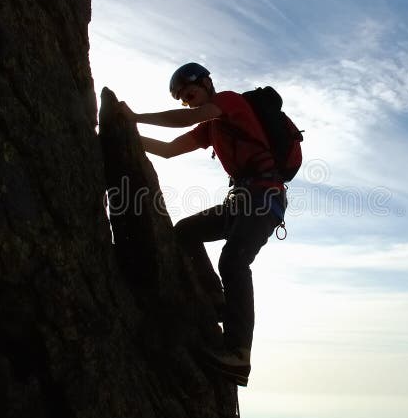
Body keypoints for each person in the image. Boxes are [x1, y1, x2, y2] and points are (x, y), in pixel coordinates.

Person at [115, 62, 286, 387]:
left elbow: (185, 119)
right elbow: (167, 150)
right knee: (186, 232)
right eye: (184, 99)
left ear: (207, 84)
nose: (189, 103)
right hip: (240, 201)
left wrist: (134, 117)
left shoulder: (230, 102)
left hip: (265, 198)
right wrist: (124, 132)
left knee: (234, 260)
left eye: (190, 94)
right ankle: (216, 297)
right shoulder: (211, 128)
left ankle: (238, 354)